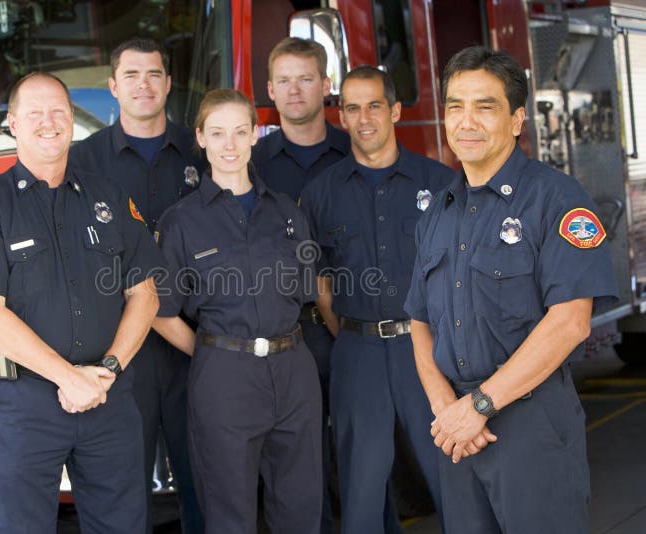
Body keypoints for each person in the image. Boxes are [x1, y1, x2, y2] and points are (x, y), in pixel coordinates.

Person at [404, 46, 617, 533]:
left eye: (486, 106)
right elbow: (418, 322)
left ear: (518, 119)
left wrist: (480, 405)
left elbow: (570, 322)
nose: (466, 121)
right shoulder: (437, 211)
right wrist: (446, 409)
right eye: (455, 106)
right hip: (459, 434)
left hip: (530, 423)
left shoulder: (555, 198)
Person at [0, 72, 164, 534]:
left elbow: (144, 294)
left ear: (72, 122)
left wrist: (108, 370)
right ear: (13, 124)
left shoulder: (109, 198)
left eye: (59, 112)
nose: (49, 122)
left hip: (109, 394)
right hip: (25, 404)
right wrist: (69, 378)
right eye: (35, 113)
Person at [152, 88, 322, 533]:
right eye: (218, 132)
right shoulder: (181, 221)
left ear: (254, 137)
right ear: (201, 138)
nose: (230, 144)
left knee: (301, 506)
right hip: (223, 377)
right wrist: (213, 352)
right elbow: (159, 311)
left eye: (240, 132)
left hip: (293, 371)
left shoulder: (287, 212)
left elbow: (307, 295)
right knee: (230, 512)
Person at [300, 66, 453, 534]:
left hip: (429, 350)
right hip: (357, 351)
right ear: (340, 115)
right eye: (352, 107)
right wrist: (349, 334)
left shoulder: (442, 183)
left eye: (374, 105)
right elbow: (320, 283)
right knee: (361, 490)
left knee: (452, 475)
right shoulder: (320, 193)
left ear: (396, 111)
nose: (363, 117)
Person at [69, 37, 203, 533]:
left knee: (204, 482)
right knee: (121, 492)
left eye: (153, 75)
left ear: (169, 84)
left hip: (191, 345)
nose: (143, 85)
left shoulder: (201, 149)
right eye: (131, 75)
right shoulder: (81, 160)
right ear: (112, 87)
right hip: (117, 351)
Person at [251, 38, 350, 533]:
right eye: (284, 80)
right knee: (294, 466)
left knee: (358, 456)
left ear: (326, 86)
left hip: (351, 331)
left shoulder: (357, 152)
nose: (295, 90)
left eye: (306, 78)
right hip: (283, 336)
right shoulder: (251, 163)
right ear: (269, 89)